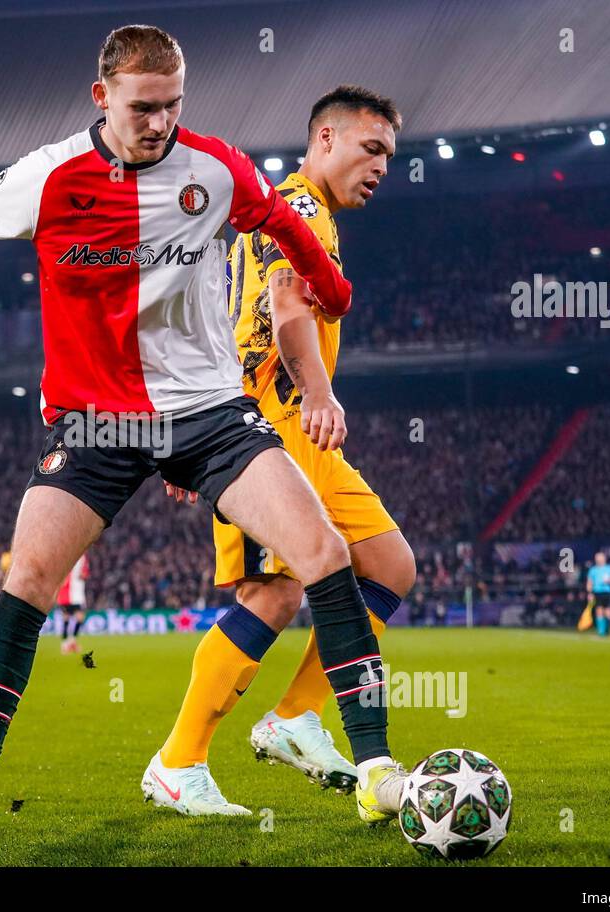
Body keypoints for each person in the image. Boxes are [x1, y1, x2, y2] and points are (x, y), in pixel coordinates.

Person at [0, 24, 412, 846]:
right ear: (102, 97)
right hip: (95, 420)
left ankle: (376, 769)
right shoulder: (47, 177)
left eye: (173, 105)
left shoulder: (216, 166)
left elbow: (285, 230)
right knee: (29, 582)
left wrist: (333, 285)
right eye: (144, 106)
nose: (159, 122)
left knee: (325, 555)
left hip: (210, 416)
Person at [147, 86, 414, 816]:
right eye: (372, 148)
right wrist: (320, 394)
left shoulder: (308, 213)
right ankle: (178, 761)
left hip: (295, 431)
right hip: (265, 431)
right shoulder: (295, 209)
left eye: (389, 154)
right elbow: (286, 306)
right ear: (325, 138)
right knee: (274, 593)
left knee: (389, 563)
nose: (383, 165)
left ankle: (295, 715)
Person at [55, 554, 89, 654]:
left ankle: (71, 642)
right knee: (67, 618)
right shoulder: (70, 556)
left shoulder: (82, 558)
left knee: (77, 618)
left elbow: (84, 573)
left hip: (76, 594)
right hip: (68, 594)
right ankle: (66, 644)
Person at [585, 552, 610, 636]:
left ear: (604, 558)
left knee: (608, 612)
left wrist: (609, 580)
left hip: (607, 592)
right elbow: (589, 583)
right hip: (597, 592)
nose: (598, 559)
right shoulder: (593, 570)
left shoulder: (609, 568)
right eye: (597, 557)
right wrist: (590, 593)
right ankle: (601, 632)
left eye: (600, 557)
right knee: (599, 611)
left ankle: (606, 629)